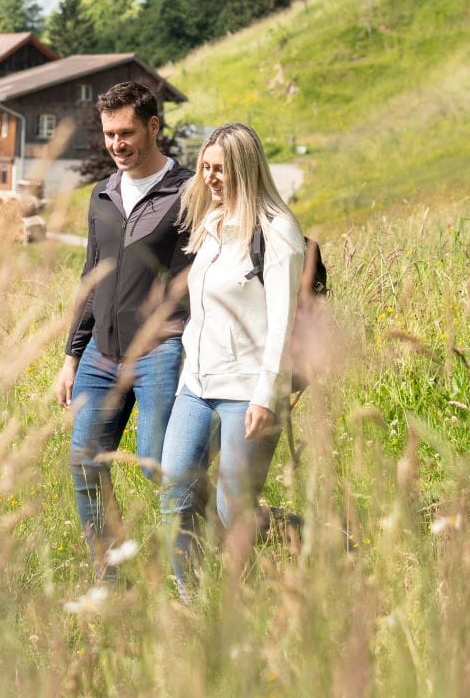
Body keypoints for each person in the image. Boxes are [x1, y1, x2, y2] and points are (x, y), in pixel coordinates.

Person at [158, 121, 305, 598]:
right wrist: (184, 375)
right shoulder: (211, 224)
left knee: (230, 509)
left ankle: (278, 563)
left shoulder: (278, 231)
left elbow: (282, 322)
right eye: (204, 168)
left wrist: (267, 394)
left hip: (248, 392)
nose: (209, 178)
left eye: (219, 168)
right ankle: (191, 598)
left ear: (244, 168)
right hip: (196, 388)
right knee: (174, 494)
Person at [53, 80, 195, 570]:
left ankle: (241, 528)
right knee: (85, 464)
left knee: (164, 469)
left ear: (153, 126)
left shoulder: (190, 192)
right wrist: (72, 355)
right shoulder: (103, 195)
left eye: (127, 132)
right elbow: (92, 277)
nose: (117, 144)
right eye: (110, 134)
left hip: (161, 351)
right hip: (101, 355)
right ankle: (109, 578)